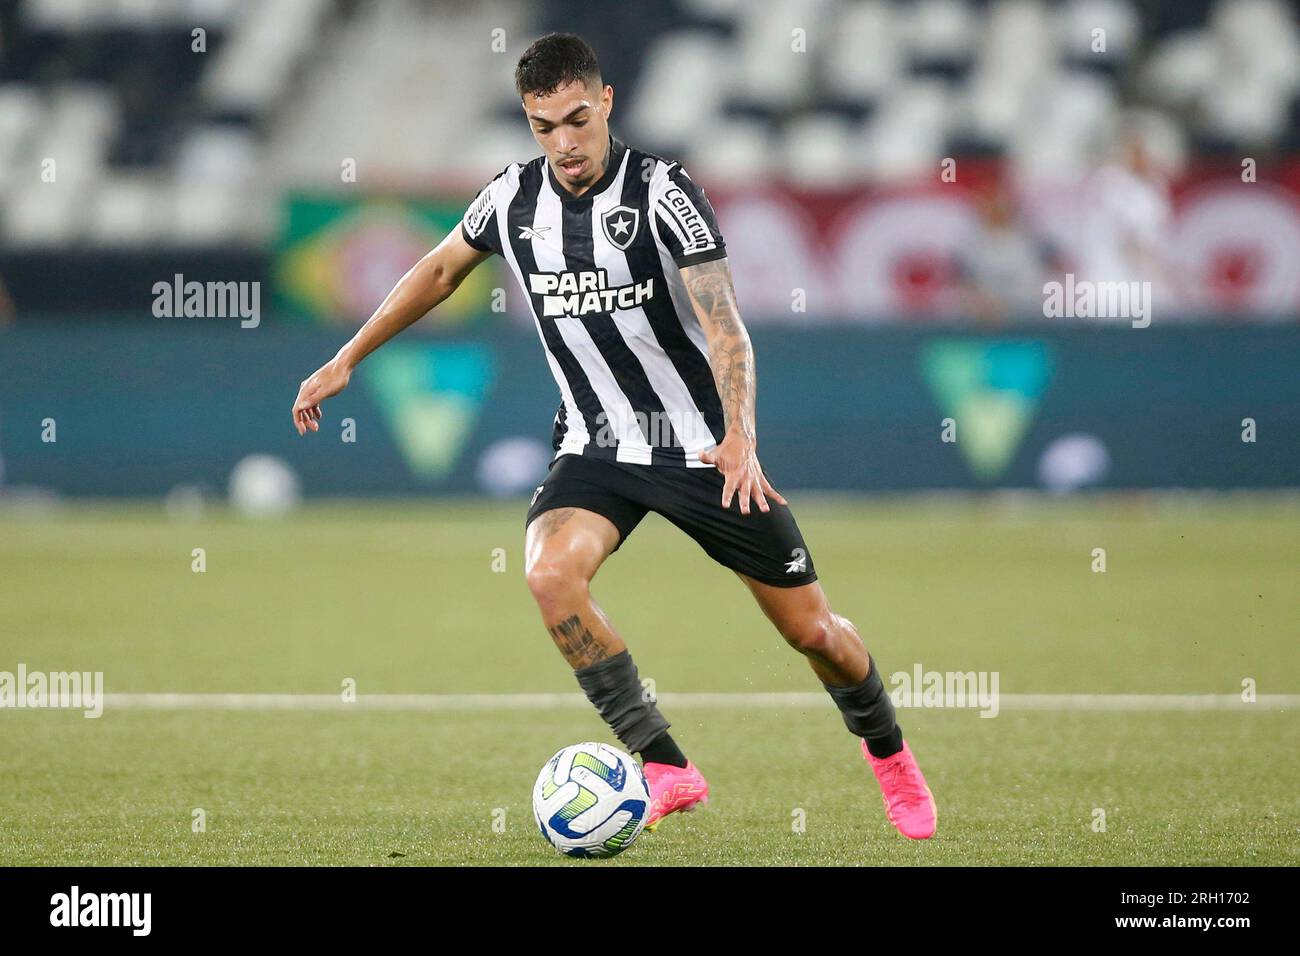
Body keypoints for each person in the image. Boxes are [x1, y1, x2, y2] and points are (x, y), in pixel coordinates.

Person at [291, 33, 936, 839]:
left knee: (813, 632)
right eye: (542, 126)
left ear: (605, 105)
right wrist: (347, 356)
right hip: (595, 446)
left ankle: (890, 756)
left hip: (701, 446)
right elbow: (438, 271)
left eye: (575, 120)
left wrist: (740, 435)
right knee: (549, 575)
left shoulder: (663, 192)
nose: (563, 143)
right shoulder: (511, 199)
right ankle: (665, 765)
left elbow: (724, 321)